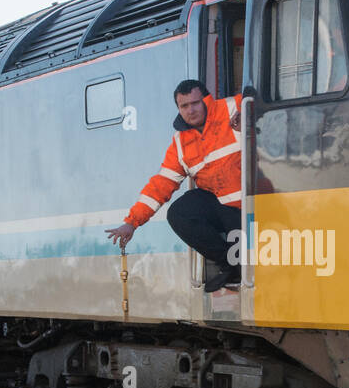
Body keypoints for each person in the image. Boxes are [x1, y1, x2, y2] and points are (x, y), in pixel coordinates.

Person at [105, 79, 246, 292]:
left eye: (195, 103)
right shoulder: (181, 142)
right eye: (184, 106)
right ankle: (230, 264)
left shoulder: (234, 107)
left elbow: (268, 98)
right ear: (179, 109)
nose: (191, 110)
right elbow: (161, 184)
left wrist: (252, 114)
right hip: (225, 209)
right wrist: (132, 222)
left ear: (206, 100)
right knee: (180, 213)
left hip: (255, 204)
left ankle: (239, 263)